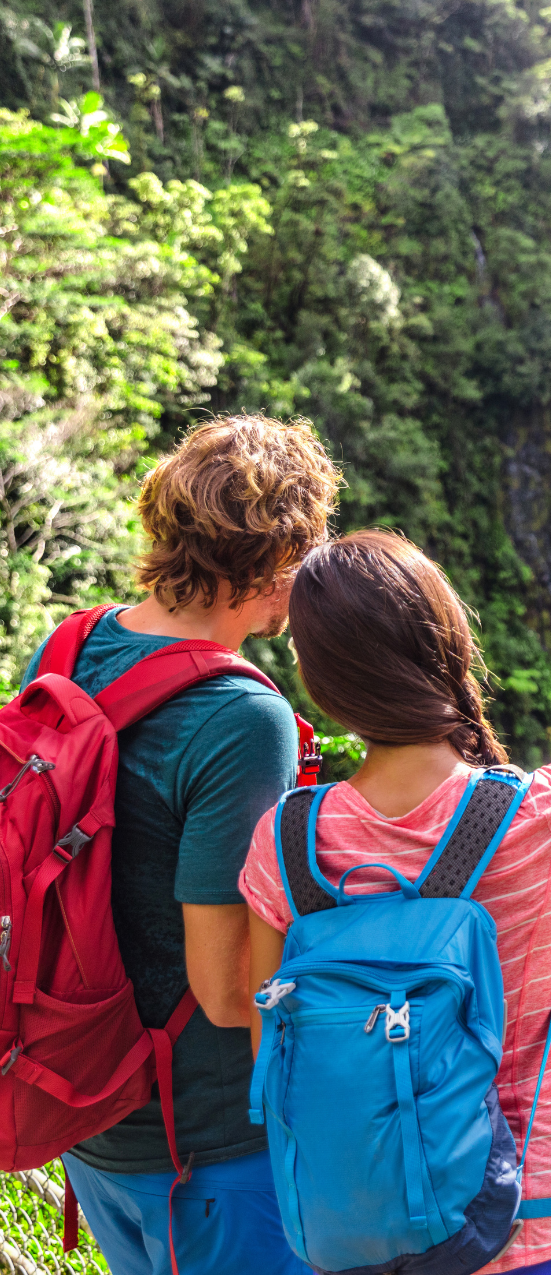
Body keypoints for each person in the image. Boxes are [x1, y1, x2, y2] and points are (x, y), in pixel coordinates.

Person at [238, 528, 551, 1275]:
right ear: (444, 643)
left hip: (365, 1234)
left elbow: (271, 1042)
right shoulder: (539, 814)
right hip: (538, 1224)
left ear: (323, 683)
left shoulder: (284, 844)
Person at [20, 415, 342, 1274]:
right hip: (204, 1146)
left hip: (82, 1105)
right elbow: (229, 988)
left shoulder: (72, 643)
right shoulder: (244, 717)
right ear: (277, 564)